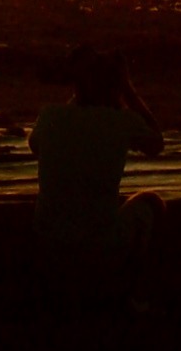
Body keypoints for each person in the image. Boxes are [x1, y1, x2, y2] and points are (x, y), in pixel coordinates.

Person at [30, 45, 165, 300]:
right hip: (99, 249)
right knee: (153, 203)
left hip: (49, 249)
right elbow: (157, 142)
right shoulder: (122, 122)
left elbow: (36, 147)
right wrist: (129, 90)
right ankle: (134, 292)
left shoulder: (49, 116)